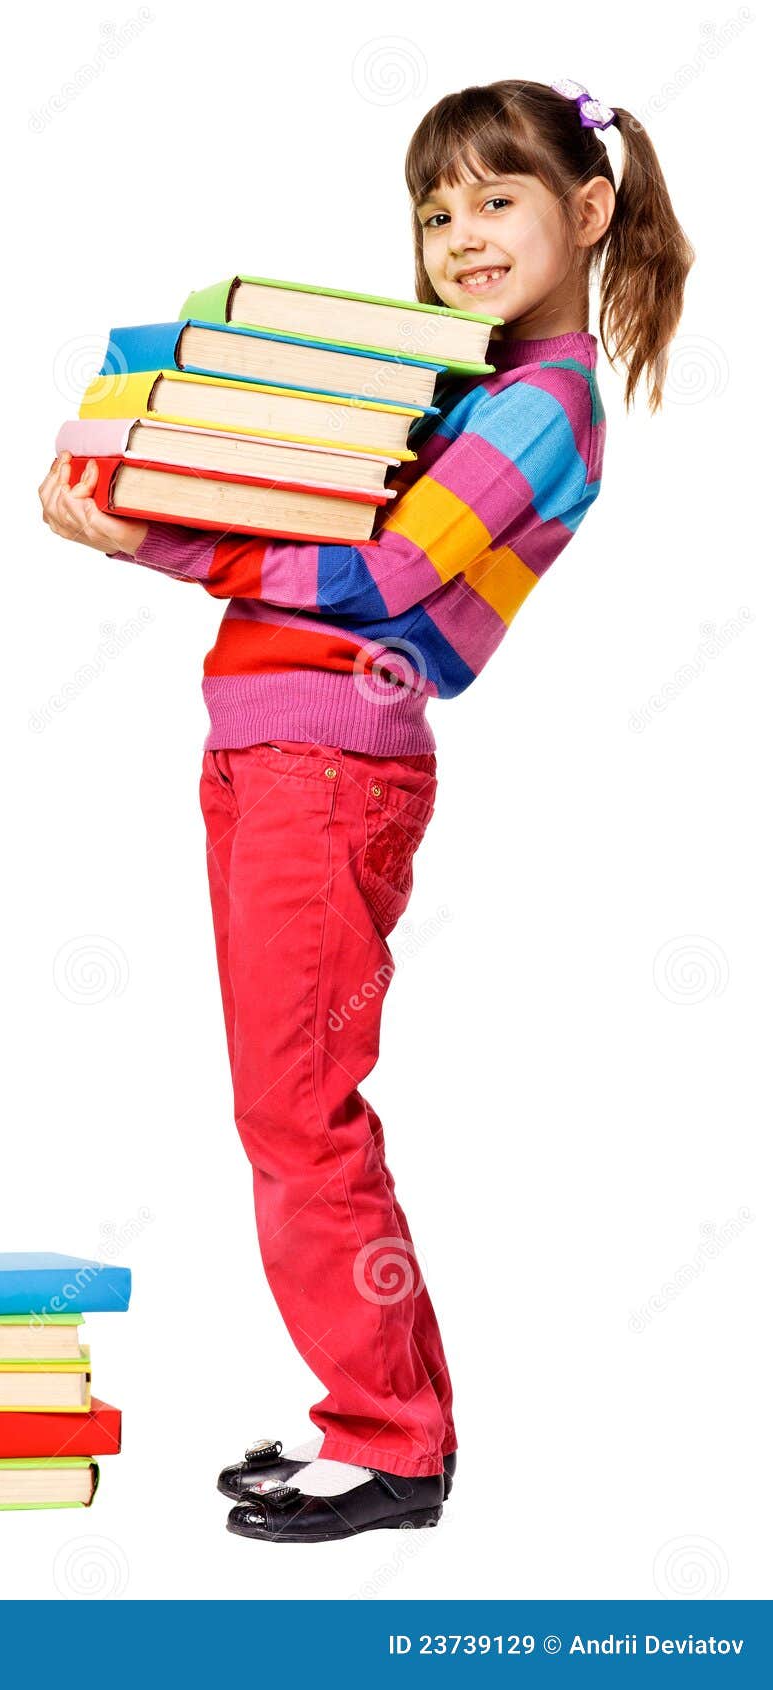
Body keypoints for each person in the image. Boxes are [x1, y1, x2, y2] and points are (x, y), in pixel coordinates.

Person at [38, 78, 694, 1543]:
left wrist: (168, 542)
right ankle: (377, 1418)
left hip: (326, 779)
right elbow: (306, 543)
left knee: (299, 1113)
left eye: (496, 197)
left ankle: (393, 1443)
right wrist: (128, 518)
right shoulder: (455, 387)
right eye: (434, 208)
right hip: (269, 762)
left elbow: (386, 579)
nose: (458, 231)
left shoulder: (543, 405)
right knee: (286, 1110)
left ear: (585, 213)